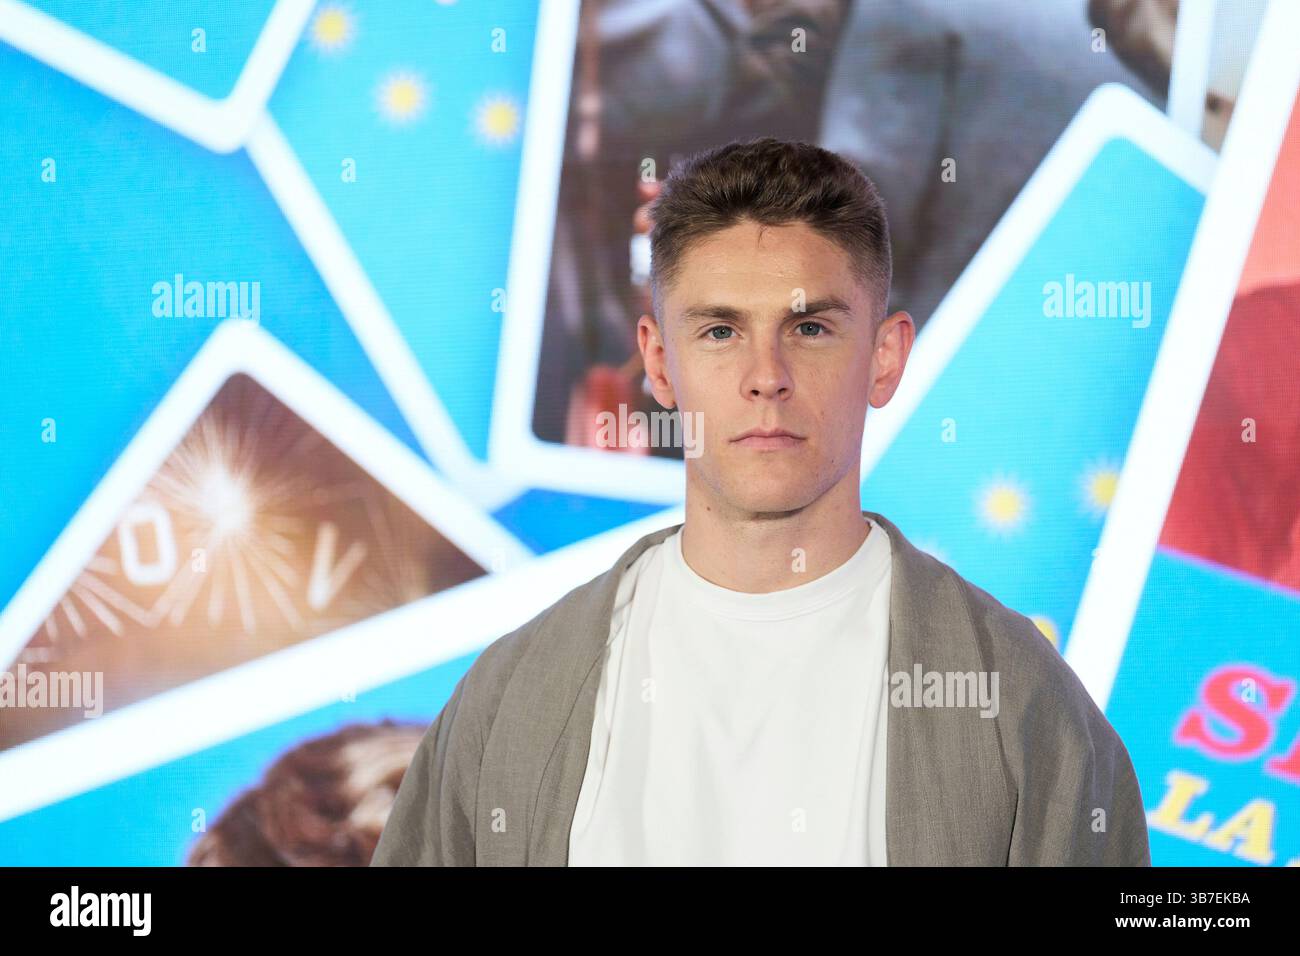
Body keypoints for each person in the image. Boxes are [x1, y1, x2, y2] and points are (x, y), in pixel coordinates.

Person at [371, 138, 1150, 866]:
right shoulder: (509, 701)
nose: (764, 375)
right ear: (658, 363)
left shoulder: (1025, 708)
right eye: (718, 331)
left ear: (885, 359)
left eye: (809, 328)